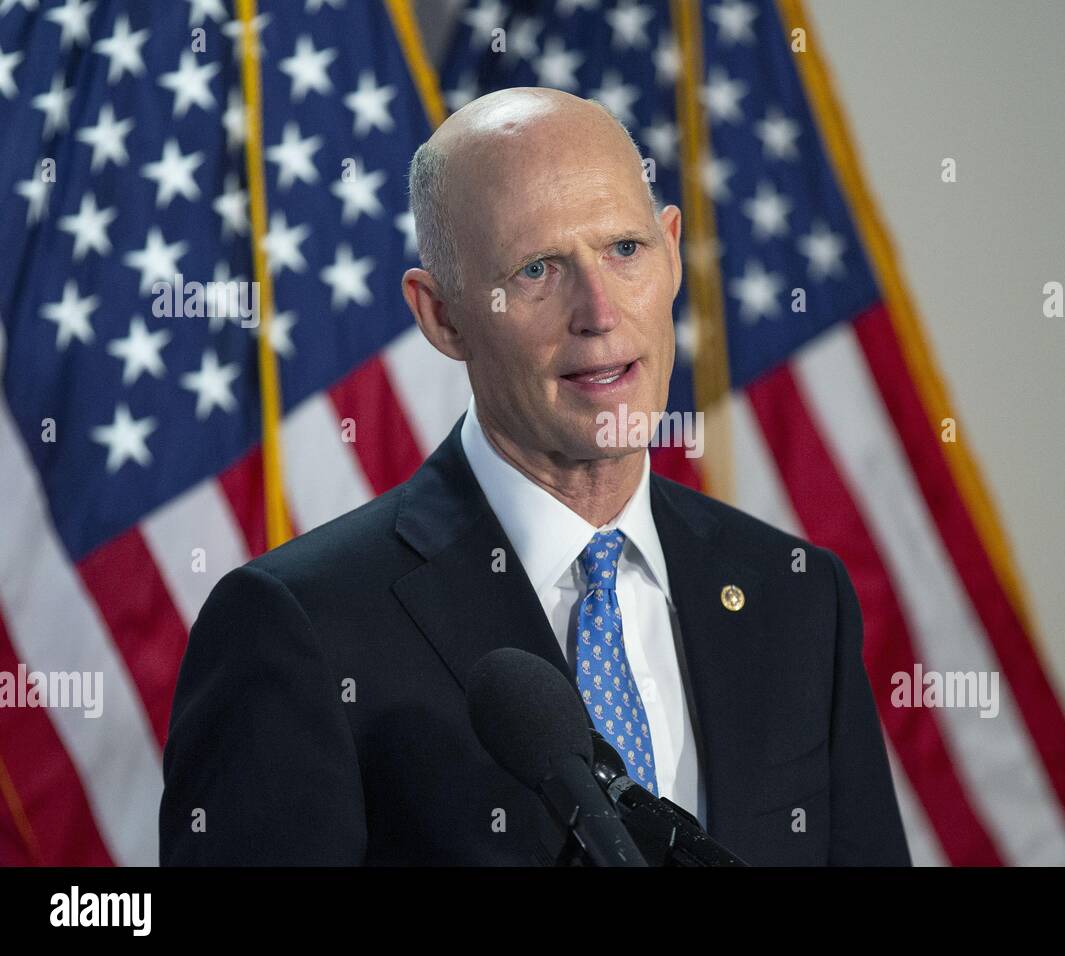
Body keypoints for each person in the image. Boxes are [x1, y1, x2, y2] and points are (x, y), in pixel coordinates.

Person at [158, 87, 911, 866]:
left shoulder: (795, 596)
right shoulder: (297, 629)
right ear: (442, 315)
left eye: (624, 250)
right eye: (536, 270)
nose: (599, 311)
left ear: (672, 250)